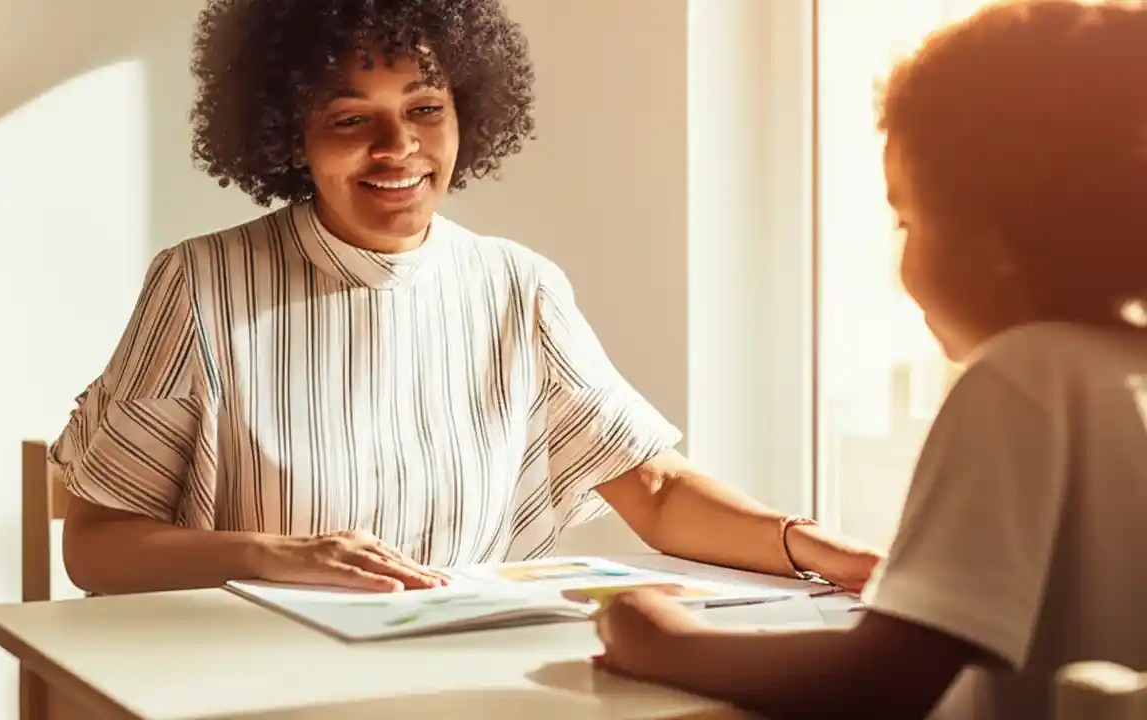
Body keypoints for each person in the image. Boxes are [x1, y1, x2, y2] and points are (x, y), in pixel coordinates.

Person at [54, 0, 878, 598]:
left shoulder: (519, 287)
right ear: (288, 137)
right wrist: (273, 555)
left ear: (466, 116)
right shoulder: (200, 282)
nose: (398, 147)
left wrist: (809, 546)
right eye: (351, 120)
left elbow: (656, 492)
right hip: (256, 679)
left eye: (425, 109)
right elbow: (97, 547)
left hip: (461, 673)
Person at [591, 1, 1147, 717]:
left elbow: (884, 680)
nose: (898, 261)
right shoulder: (1122, 373)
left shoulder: (1023, 379)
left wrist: (662, 640)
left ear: (990, 248)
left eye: (906, 219)